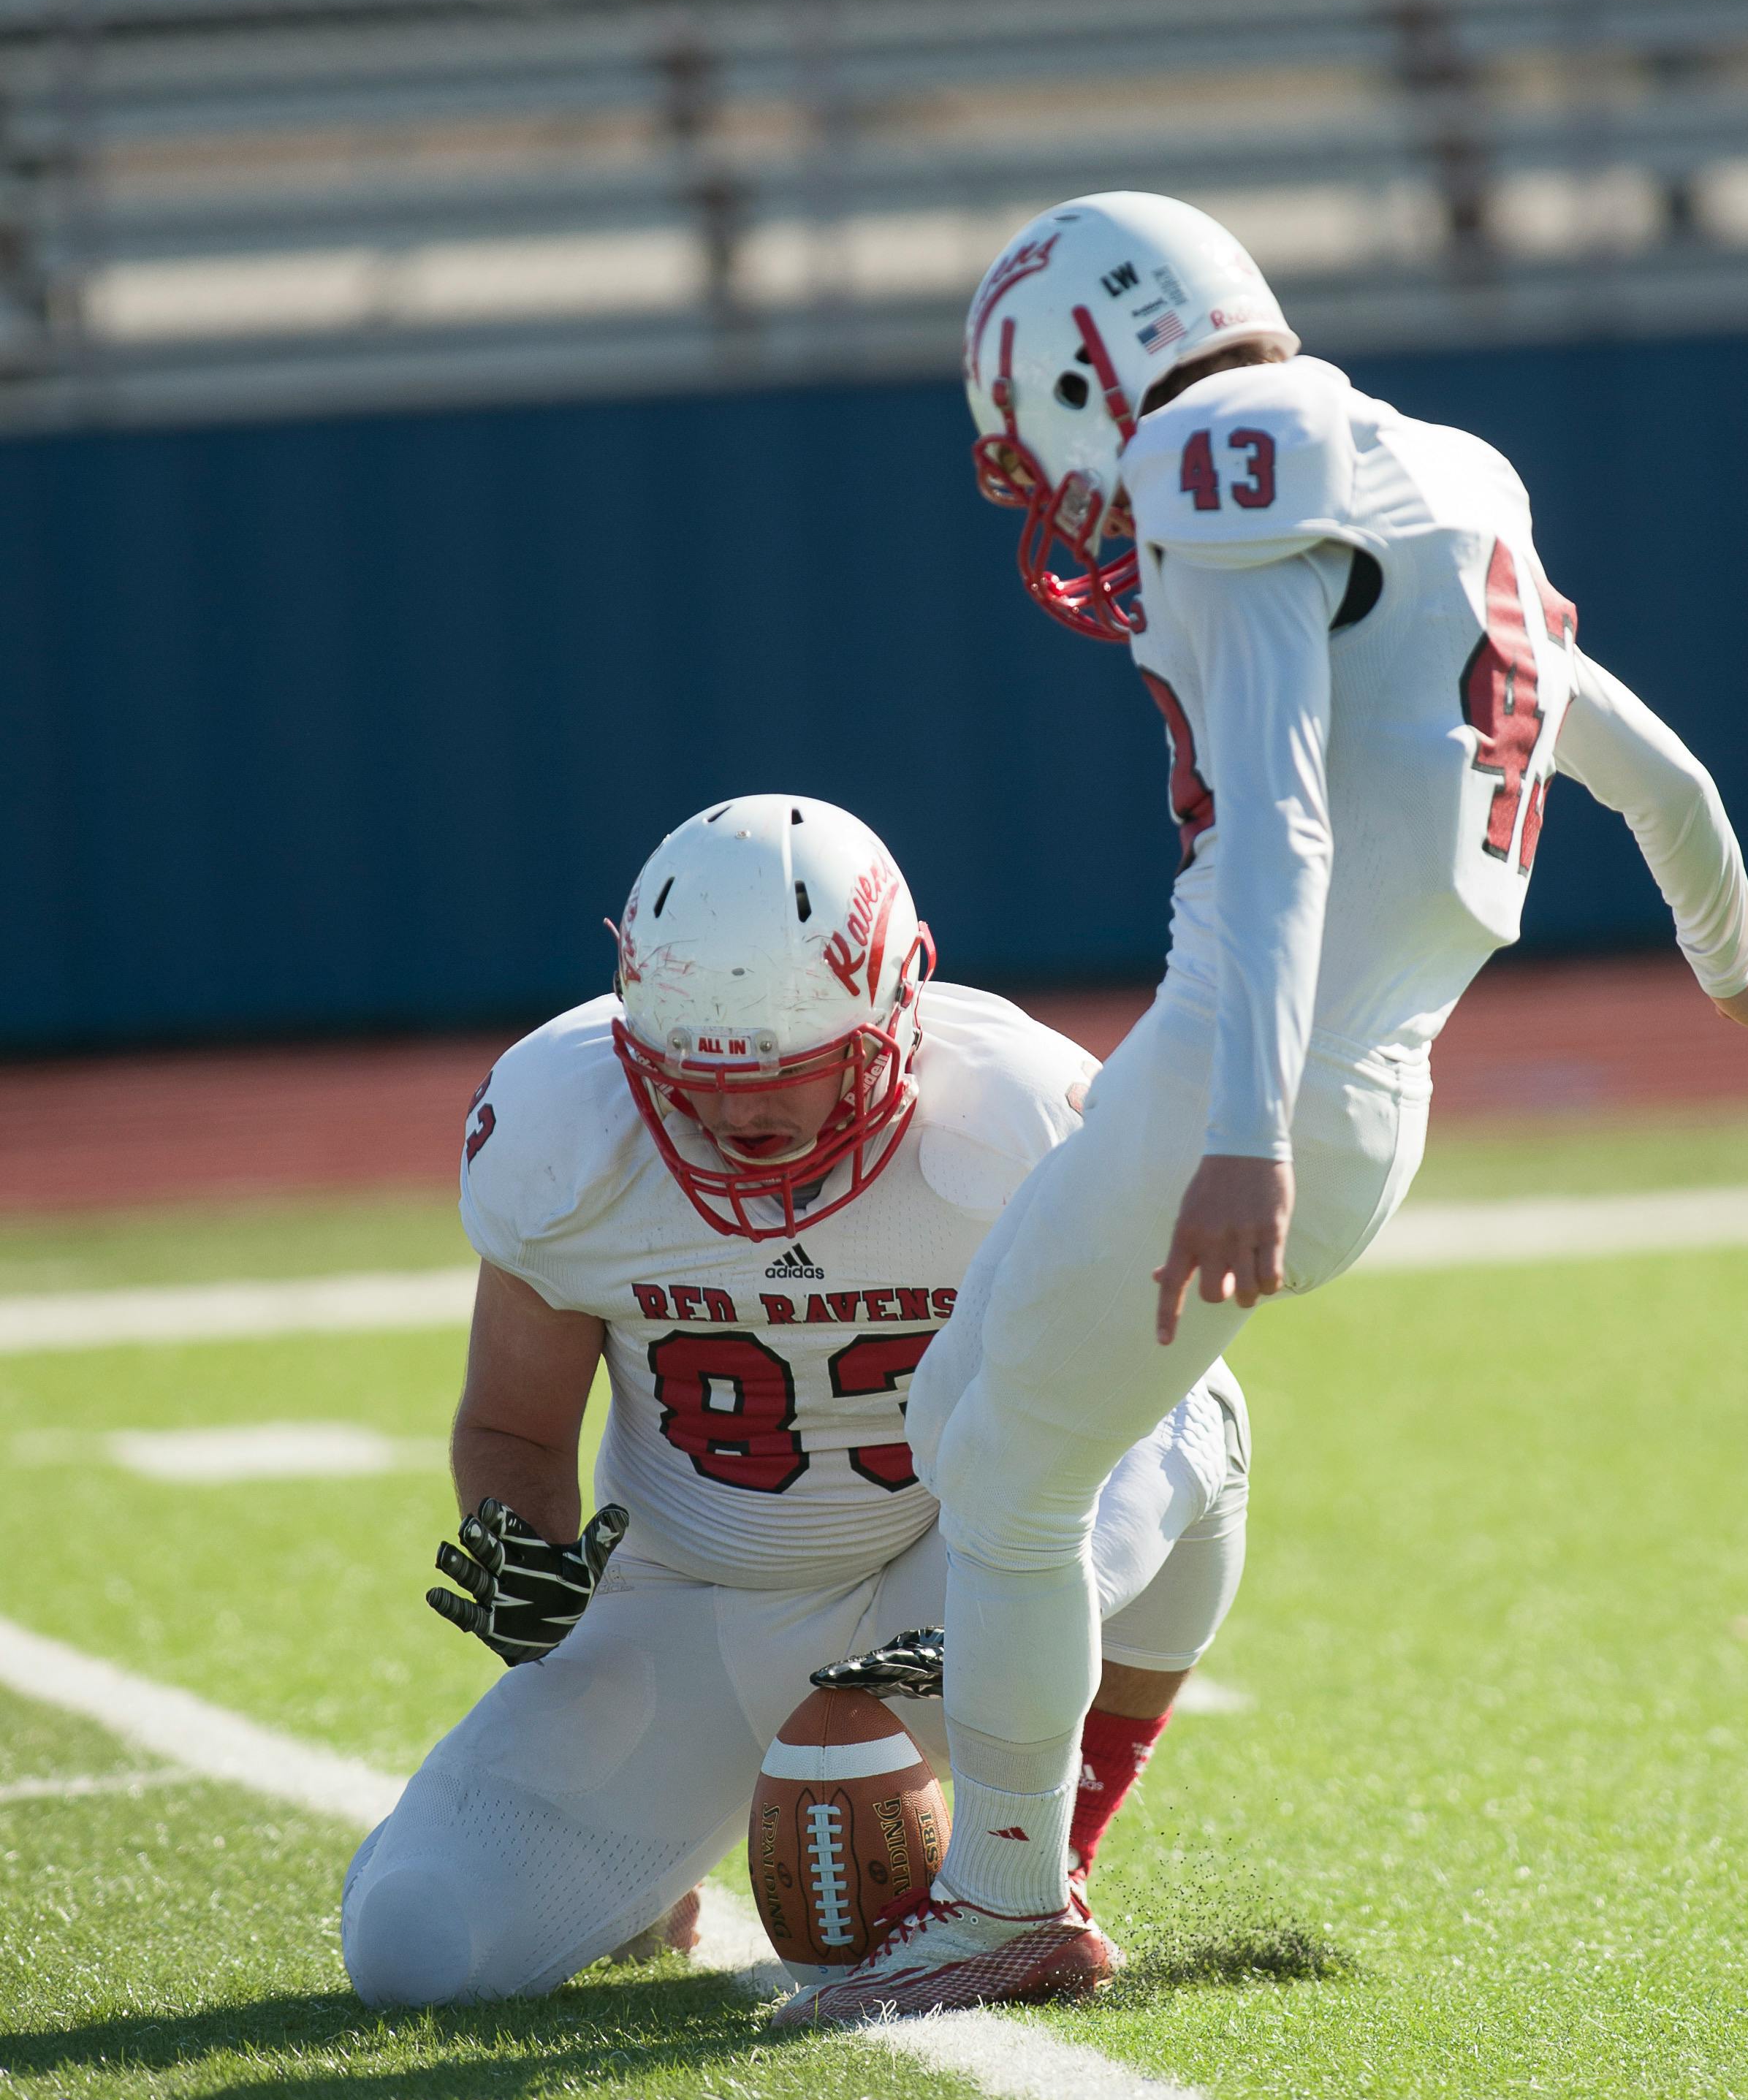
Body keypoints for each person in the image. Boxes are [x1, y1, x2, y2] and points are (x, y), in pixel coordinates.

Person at [775, 190, 1748, 2031]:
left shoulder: (1219, 457)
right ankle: (1030, 1804)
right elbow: (1650, 767)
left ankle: (1004, 1901)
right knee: (960, 1414)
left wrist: (1240, 1135)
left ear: (1088, 366)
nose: (1049, 481)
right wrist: (1725, 945)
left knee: (1009, 1481)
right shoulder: (1439, 474)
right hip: (1352, 1084)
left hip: (1251, 1076)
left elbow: (1277, 828)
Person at [341, 793, 1248, 2006]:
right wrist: (526, 1555)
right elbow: (511, 1425)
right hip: (692, 1602)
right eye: (689, 1077)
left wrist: (1035, 1598)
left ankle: (1035, 1866)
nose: (734, 1115)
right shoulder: (562, 1126)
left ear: (893, 1019)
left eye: (785, 1073)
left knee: (1184, 1398)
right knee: (413, 1953)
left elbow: (1139, 1393)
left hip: (957, 1574)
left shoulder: (1018, 1113)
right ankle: (638, 1871)